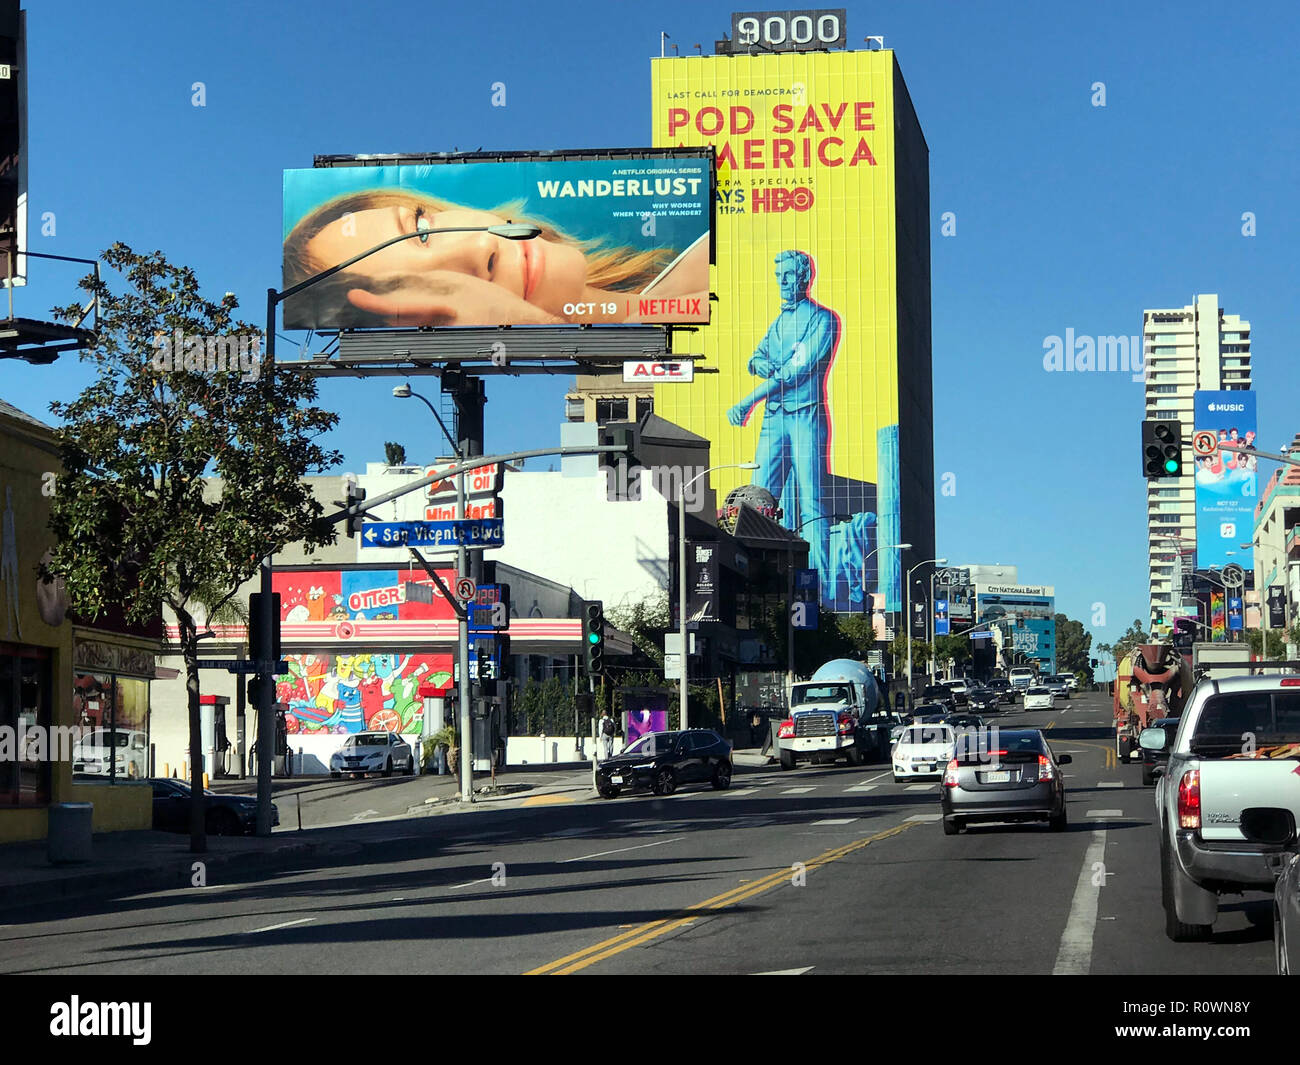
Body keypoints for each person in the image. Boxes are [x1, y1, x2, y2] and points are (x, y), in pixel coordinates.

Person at [282, 188, 709, 328]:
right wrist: (540, 326)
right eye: (418, 288)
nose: (482, 249)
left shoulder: (716, 254)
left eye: (423, 228)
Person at [726, 251, 841, 588]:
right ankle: (752, 582)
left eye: (789, 275)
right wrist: (758, 364)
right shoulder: (779, 323)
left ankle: (818, 586)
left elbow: (794, 372)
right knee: (756, 499)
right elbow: (757, 356)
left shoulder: (823, 319)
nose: (783, 281)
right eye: (779, 275)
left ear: (805, 277)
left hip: (806, 416)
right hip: (774, 419)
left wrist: (747, 401)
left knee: (812, 502)